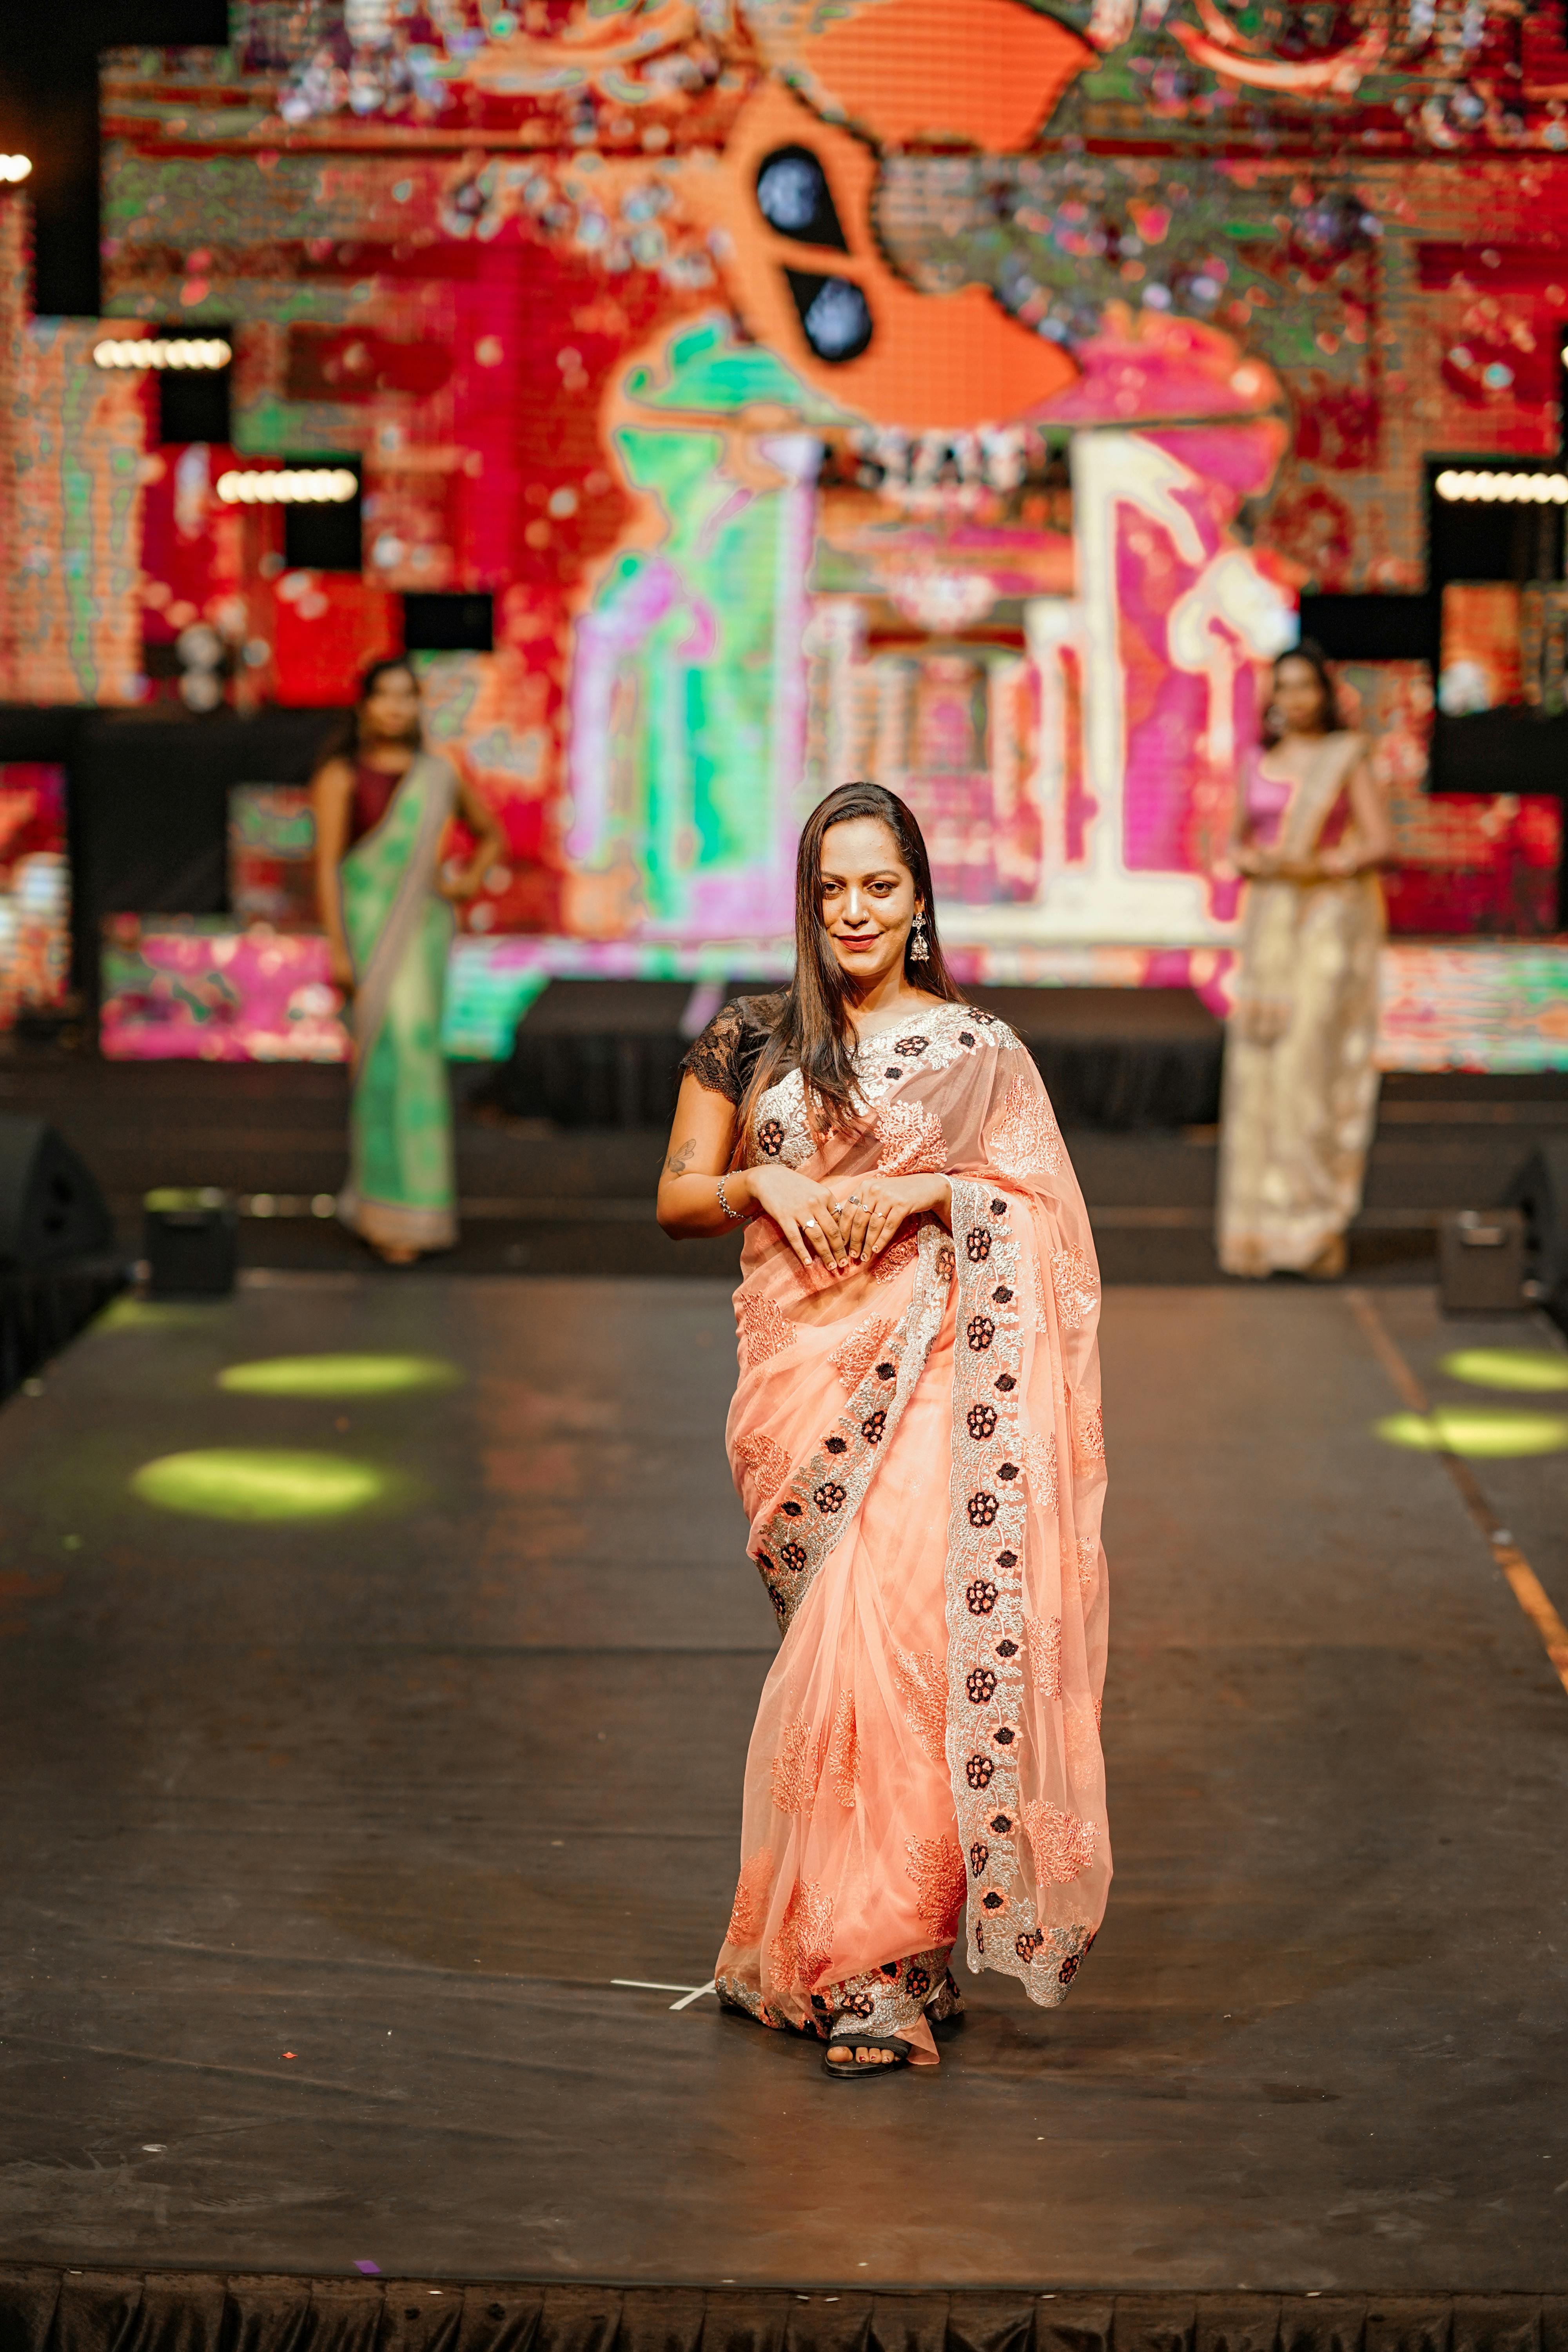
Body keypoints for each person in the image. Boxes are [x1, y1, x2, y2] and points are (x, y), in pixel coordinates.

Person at [657, 781, 1111, 2078]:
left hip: (934, 1383)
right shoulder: (747, 1037)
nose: (854, 911)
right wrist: (764, 1178)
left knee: (900, 1649)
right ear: (808, 904)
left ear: (919, 904)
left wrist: (927, 1192)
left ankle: (876, 1972)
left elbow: (1047, 1223)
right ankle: (873, 1950)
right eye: (832, 889)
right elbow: (680, 1197)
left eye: (880, 887)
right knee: (837, 1658)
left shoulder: (979, 1051)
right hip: (798, 1389)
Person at [311, 658, 505, 1266]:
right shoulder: (341, 776)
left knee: (417, 1061)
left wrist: (466, 879)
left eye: (406, 696)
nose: (396, 708)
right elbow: (325, 870)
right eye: (384, 696)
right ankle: (380, 1209)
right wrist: (338, 949)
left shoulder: (438, 774)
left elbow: (490, 833)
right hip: (368, 938)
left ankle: (420, 1215)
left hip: (422, 936)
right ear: (363, 706)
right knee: (381, 1071)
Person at [1216, 642, 1396, 1282]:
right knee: (1259, 1069)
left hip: (1323, 929)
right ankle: (1257, 1234)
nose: (1295, 699)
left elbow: (1380, 843)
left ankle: (1311, 1229)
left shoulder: (1345, 758)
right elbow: (1234, 840)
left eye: (1306, 687)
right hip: (1269, 929)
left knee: (1306, 1068)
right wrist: (1250, 862)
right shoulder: (1257, 762)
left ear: (1324, 694)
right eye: (1284, 688)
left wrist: (1317, 867)